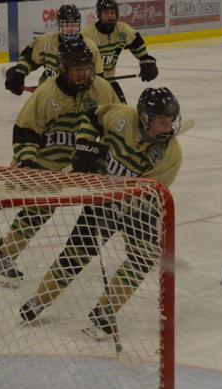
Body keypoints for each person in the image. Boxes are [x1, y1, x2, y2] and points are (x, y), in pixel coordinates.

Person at [17, 87, 183, 341]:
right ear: (144, 117)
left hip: (138, 208)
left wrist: (122, 203)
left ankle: (104, 312)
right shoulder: (122, 118)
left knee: (143, 257)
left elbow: (152, 193)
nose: (168, 127)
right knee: (76, 253)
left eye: (171, 120)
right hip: (103, 198)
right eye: (162, 121)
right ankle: (40, 299)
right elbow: (92, 117)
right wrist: (86, 146)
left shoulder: (171, 155)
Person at [0, 39, 121, 287]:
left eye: (86, 68)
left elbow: (117, 122)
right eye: (77, 69)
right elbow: (25, 131)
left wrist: (99, 151)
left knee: (109, 202)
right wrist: (27, 163)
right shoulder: (46, 93)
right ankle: (4, 256)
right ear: (63, 68)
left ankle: (134, 247)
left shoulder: (102, 89)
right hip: (46, 161)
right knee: (39, 210)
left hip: (80, 159)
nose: (83, 74)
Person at [3, 4, 105, 96]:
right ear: (59, 26)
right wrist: (19, 73)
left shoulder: (90, 47)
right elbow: (28, 58)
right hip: (48, 95)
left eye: (74, 25)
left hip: (78, 98)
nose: (70, 29)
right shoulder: (46, 42)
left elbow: (99, 78)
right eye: (66, 25)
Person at [81, 0, 158, 103]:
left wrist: (147, 62)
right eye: (106, 13)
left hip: (110, 82)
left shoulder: (123, 30)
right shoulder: (87, 34)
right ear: (99, 14)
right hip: (89, 85)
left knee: (122, 110)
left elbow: (138, 46)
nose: (110, 16)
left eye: (112, 13)